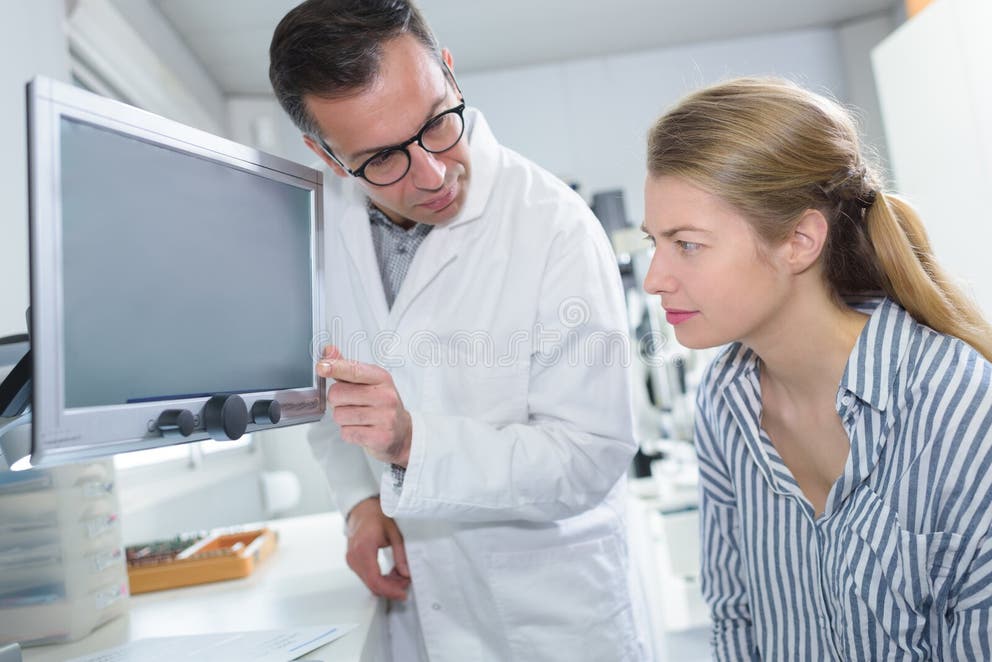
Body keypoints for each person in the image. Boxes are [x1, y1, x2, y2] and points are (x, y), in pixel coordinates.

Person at [268, 1, 643, 660]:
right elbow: (328, 395)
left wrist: (414, 443)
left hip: (549, 622)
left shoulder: (554, 227)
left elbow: (591, 456)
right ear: (325, 155)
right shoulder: (314, 233)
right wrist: (360, 501)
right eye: (381, 159)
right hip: (417, 615)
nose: (433, 174)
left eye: (437, 123)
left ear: (449, 72)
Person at [640, 76, 992, 661]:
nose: (655, 277)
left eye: (688, 244)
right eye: (657, 242)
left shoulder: (956, 402)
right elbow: (736, 619)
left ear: (800, 240)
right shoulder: (725, 402)